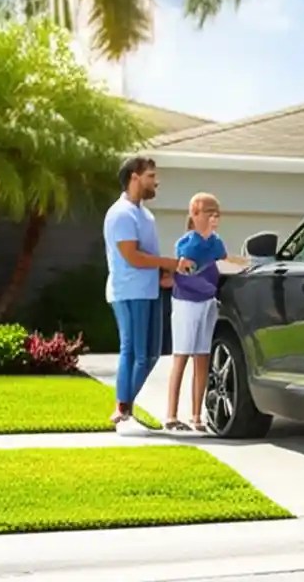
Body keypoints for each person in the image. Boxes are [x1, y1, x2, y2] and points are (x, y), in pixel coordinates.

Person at [104, 156, 192, 429]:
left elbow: (148, 256)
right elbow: (133, 257)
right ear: (134, 177)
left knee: (151, 354)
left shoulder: (145, 214)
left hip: (149, 289)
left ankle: (124, 410)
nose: (156, 181)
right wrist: (170, 264)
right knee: (134, 352)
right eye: (151, 176)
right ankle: (122, 411)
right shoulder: (121, 214)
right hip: (128, 292)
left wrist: (165, 275)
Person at [165, 192, 248, 431]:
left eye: (217, 213)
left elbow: (225, 258)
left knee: (202, 357)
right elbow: (182, 265)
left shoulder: (216, 242)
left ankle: (196, 415)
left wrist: (246, 263)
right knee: (181, 357)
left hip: (207, 303)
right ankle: (171, 414)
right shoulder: (188, 242)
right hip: (186, 304)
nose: (214, 218)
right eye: (209, 213)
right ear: (195, 215)